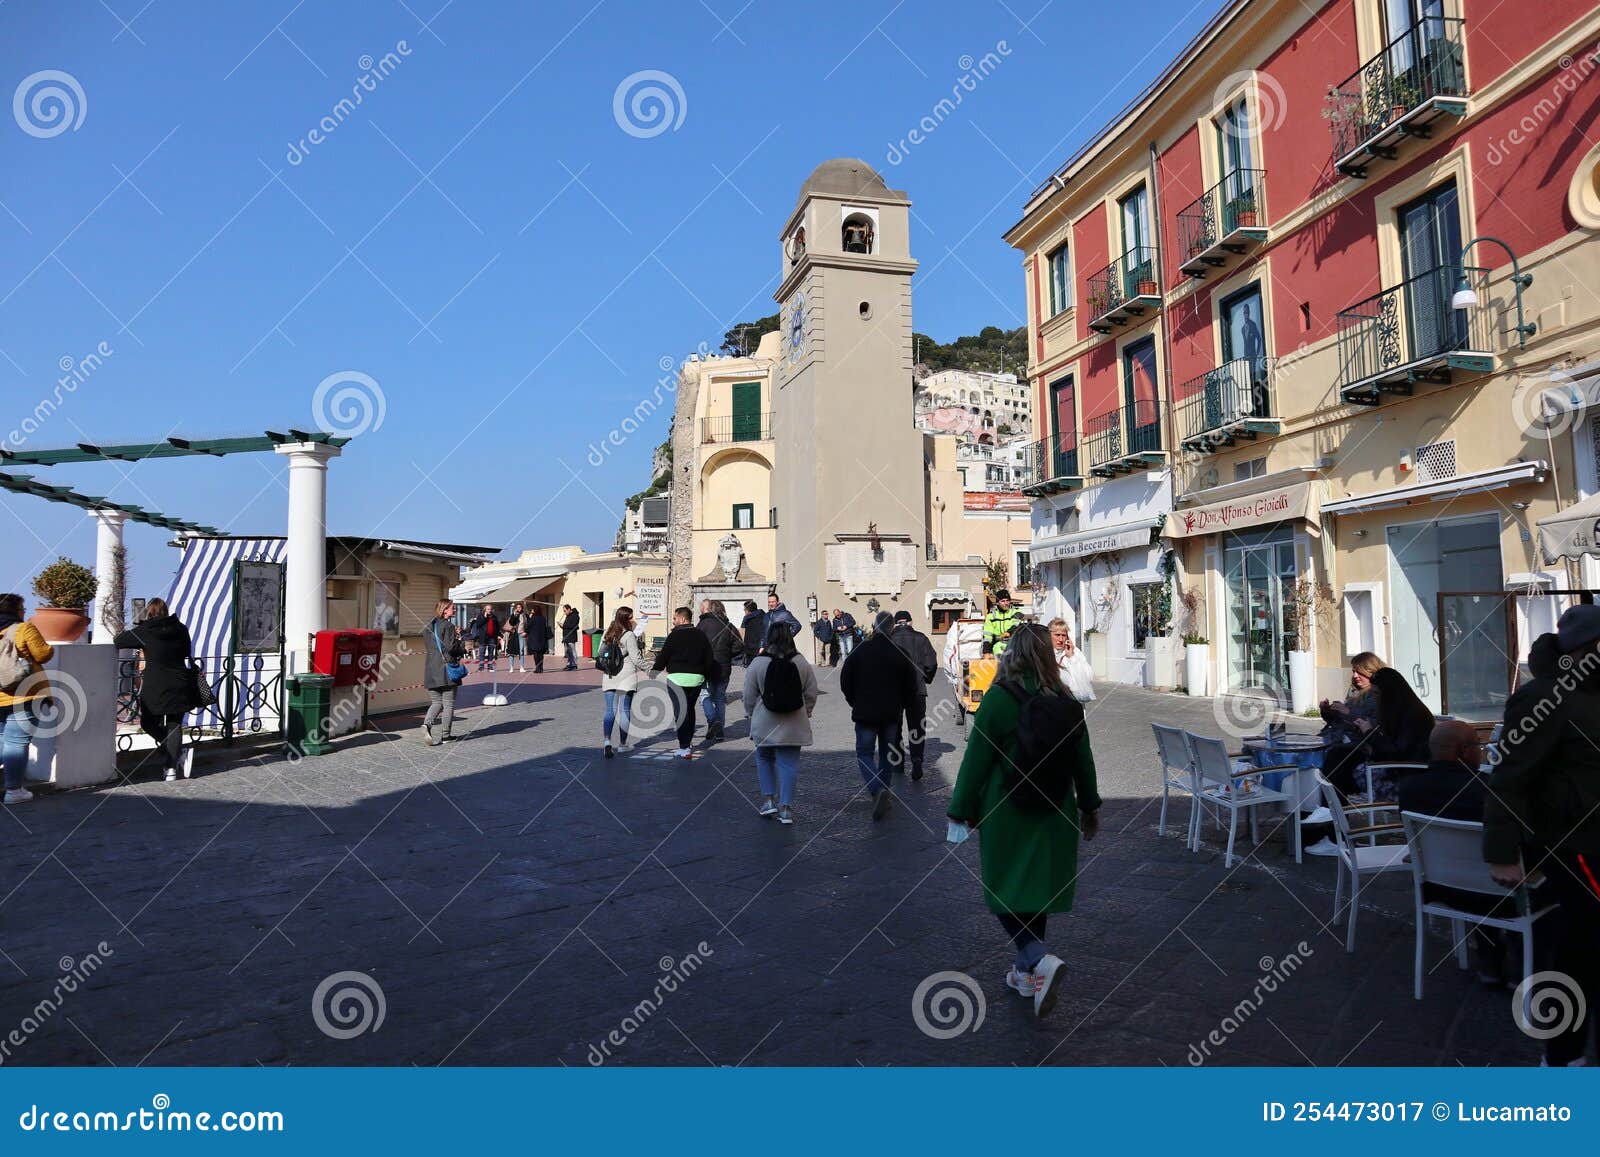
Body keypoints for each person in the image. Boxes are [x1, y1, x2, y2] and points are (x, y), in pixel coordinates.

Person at [947, 622, 1102, 1018]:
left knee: (1002, 889)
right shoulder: (1066, 698)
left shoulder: (999, 700)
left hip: (1007, 811)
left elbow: (976, 762)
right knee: (1036, 892)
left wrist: (960, 810)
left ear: (1010, 653)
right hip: (1056, 808)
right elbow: (1083, 760)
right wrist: (1090, 806)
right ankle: (1026, 973)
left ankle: (1037, 957)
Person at [1485, 607, 1600, 1067]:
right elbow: (1511, 777)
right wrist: (1501, 853)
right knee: (1582, 950)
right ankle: (1562, 1057)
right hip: (1573, 844)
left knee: (1580, 948)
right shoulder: (1545, 697)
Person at [1395, 720, 1510, 986]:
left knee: (1477, 877)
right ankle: (1529, 960)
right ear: (1464, 751)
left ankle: (1490, 959)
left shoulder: (1409, 789)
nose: (1481, 751)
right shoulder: (1490, 790)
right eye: (1478, 746)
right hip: (1495, 894)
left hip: (1438, 890)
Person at [841, 612, 920, 820]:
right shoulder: (900, 653)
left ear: (874, 627)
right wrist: (902, 704)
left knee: (864, 753)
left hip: (865, 712)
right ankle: (883, 790)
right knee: (887, 754)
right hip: (891, 713)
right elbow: (911, 686)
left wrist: (853, 700)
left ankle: (877, 790)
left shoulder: (859, 652)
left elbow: (845, 679)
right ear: (892, 628)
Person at [744, 621, 820, 825]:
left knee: (764, 759)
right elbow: (811, 692)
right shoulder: (801, 662)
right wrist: (807, 711)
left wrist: (753, 714)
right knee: (788, 765)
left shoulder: (758, 663)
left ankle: (769, 800)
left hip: (765, 723)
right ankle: (786, 808)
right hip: (794, 723)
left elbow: (749, 696)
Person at [1322, 665, 1435, 801]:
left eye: (1376, 694)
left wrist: (1369, 732)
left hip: (1403, 772)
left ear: (1389, 693)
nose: (1375, 698)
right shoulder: (1397, 710)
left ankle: (1331, 814)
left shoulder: (1414, 716)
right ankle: (1330, 812)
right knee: (1337, 755)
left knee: (1339, 768)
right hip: (1389, 763)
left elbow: (1396, 753)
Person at [114, 597, 195, 782]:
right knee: (174, 724)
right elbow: (186, 652)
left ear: (149, 613)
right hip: (179, 681)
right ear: (166, 611)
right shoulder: (180, 628)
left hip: (155, 684)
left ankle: (175, 756)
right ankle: (171, 768)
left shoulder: (145, 631)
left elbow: (119, 641)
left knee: (148, 723)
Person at [0, 592, 52, 804]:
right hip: (24, 694)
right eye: (22, 609)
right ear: (15, 611)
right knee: (16, 743)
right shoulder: (23, 628)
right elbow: (43, 654)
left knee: (3, 741)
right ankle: (14, 790)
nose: (24, 612)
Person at [652, 606, 720, 760]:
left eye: (675, 618)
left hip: (676, 679)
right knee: (689, 709)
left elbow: (663, 656)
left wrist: (655, 671)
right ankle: (687, 743)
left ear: (682, 619)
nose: (674, 621)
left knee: (680, 712)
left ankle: (684, 747)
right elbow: (709, 657)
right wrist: (705, 674)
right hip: (696, 679)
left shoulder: (674, 636)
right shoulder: (700, 635)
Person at [889, 610, 939, 781]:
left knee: (894, 726)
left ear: (895, 623)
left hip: (894, 691)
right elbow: (931, 663)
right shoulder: (921, 638)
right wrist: (926, 678)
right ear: (910, 622)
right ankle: (917, 760)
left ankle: (898, 761)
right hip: (916, 689)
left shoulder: (888, 640)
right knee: (917, 727)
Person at [599, 606, 651, 758]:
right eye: (631, 617)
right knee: (625, 710)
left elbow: (599, 653)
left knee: (609, 710)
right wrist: (649, 669)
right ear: (625, 619)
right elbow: (636, 658)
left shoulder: (607, 633)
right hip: (626, 677)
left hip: (609, 675)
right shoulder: (629, 635)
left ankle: (607, 742)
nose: (633, 620)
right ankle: (622, 744)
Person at [697, 599, 745, 743]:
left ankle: (713, 721)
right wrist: (728, 654)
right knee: (719, 698)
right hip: (723, 667)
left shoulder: (702, 625)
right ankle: (719, 732)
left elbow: (696, 645)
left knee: (704, 695)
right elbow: (739, 646)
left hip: (705, 667)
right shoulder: (728, 626)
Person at [421, 598, 465, 746]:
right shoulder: (448, 626)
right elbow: (452, 648)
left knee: (436, 702)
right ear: (445, 609)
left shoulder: (429, 625)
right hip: (447, 670)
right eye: (453, 608)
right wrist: (463, 647)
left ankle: (427, 724)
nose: (455, 610)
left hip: (431, 669)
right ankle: (446, 736)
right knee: (448, 704)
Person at [1318, 651, 1384, 740]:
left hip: (1356, 744)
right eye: (1353, 671)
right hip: (1336, 736)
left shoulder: (1378, 694)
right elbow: (1339, 721)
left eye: (1359, 672)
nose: (1355, 675)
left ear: (1371, 671)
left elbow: (1376, 725)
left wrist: (1348, 712)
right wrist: (1328, 712)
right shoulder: (1355, 690)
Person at [1048, 617, 1095, 702]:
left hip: (1074, 703)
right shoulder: (1044, 653)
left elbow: (1089, 676)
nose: (1061, 639)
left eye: (1064, 635)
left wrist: (1072, 657)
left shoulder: (1074, 652)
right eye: (1057, 635)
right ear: (1049, 635)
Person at [983, 589, 1024, 656]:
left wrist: (1008, 633)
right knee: (997, 655)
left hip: (1014, 644)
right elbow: (988, 636)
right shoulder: (991, 616)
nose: (1006, 603)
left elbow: (1016, 624)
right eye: (1003, 601)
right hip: (998, 645)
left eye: (1007, 600)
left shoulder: (1016, 612)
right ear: (997, 603)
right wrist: (986, 651)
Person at [524, 604, 551, 673]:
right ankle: (541, 668)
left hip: (534, 638)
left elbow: (528, 627)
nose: (531, 611)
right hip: (542, 638)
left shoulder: (533, 618)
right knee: (541, 654)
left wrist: (529, 618)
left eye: (533, 610)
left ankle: (537, 668)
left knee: (536, 653)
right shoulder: (543, 618)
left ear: (535, 610)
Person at [739, 600, 766, 665]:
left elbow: (742, 633)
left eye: (744, 609)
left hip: (750, 650)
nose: (744, 611)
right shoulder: (764, 616)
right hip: (762, 648)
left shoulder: (746, 619)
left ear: (748, 610)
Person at [503, 602, 526, 673]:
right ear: (515, 608)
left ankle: (521, 667)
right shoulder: (514, 615)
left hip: (521, 634)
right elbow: (511, 623)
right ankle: (511, 667)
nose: (519, 608)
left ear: (522, 608)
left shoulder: (524, 615)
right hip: (513, 634)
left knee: (521, 651)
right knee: (511, 651)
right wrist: (514, 615)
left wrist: (526, 632)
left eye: (520, 607)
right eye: (517, 607)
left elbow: (527, 624)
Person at [560, 604, 581, 670]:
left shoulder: (575, 616)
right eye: (564, 611)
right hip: (566, 636)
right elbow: (567, 625)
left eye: (565, 611)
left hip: (571, 636)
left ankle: (574, 664)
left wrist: (563, 626)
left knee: (572, 650)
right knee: (568, 652)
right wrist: (562, 626)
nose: (564, 612)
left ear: (569, 609)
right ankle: (569, 664)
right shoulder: (568, 616)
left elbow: (572, 626)